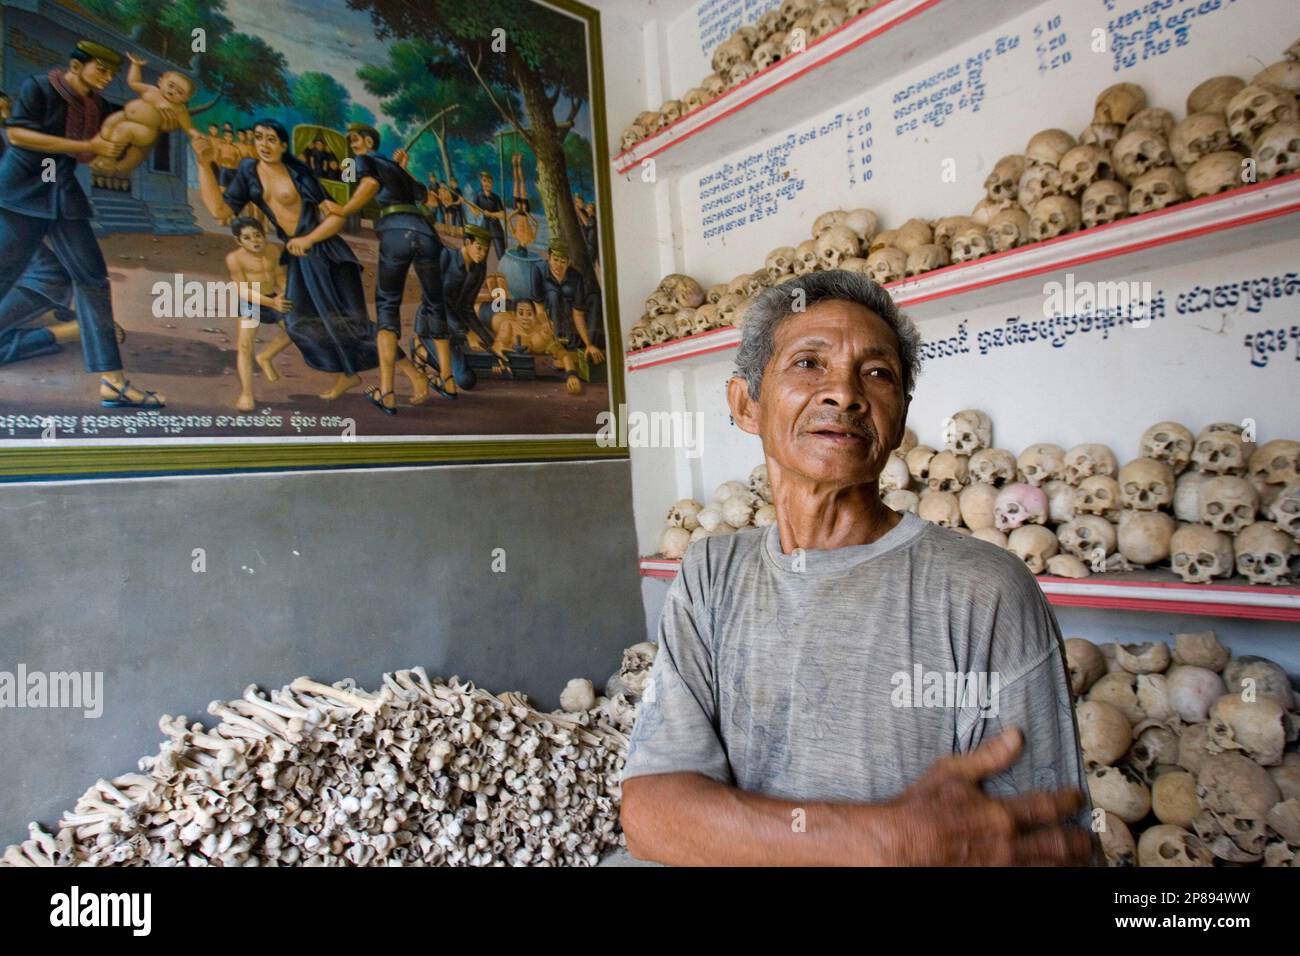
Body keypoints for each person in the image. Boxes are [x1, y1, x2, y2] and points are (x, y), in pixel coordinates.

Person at [620, 271, 1094, 867]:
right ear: (746, 404)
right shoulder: (711, 573)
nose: (844, 393)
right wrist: (887, 841)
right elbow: (652, 814)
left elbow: (1044, 845)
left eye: (877, 373)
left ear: (898, 416)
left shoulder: (985, 590)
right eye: (808, 364)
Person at [0, 40, 165, 407]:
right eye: (100, 70)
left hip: (63, 197)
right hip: (22, 194)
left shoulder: (98, 105)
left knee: (92, 279)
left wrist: (151, 123)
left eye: (111, 73)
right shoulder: (39, 87)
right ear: (77, 67)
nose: (107, 78)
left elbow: (119, 135)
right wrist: (83, 146)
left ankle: (113, 381)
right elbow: (17, 135)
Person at [192, 118, 381, 400]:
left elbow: (335, 217)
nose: (264, 144)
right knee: (300, 323)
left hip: (324, 250)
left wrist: (309, 239)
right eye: (258, 137)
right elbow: (220, 212)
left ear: (282, 145)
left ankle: (407, 374)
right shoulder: (248, 172)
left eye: (271, 139)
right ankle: (348, 374)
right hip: (297, 254)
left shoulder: (298, 172)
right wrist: (204, 165)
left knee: (350, 321)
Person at [318, 123, 442, 412]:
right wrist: (401, 168)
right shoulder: (393, 165)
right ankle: (426, 377)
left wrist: (343, 209)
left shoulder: (365, 160)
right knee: (432, 302)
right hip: (424, 235)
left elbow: (370, 185)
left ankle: (387, 392)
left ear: (367, 141)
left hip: (395, 234)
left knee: (386, 310)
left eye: (355, 139)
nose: (352, 143)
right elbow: (426, 198)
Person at [224, 217, 293, 412]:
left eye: (257, 235)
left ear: (264, 235)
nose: (255, 241)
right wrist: (273, 302)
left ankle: (265, 357)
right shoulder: (234, 259)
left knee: (293, 331)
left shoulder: (273, 250)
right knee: (245, 346)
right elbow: (242, 291)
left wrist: (285, 294)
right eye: (247, 238)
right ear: (239, 241)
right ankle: (246, 393)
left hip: (273, 296)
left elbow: (280, 277)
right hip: (250, 302)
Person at [89, 52, 195, 177]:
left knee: (124, 129)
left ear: (185, 99)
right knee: (110, 122)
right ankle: (103, 154)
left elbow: (189, 128)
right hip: (126, 117)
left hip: (145, 130)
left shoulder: (179, 108)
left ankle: (109, 158)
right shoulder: (151, 90)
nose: (172, 91)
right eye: (171, 85)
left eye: (180, 92)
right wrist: (136, 65)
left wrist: (196, 136)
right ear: (160, 81)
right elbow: (133, 82)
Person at [417, 223, 492, 394]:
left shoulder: (479, 268)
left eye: (486, 250)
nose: (482, 254)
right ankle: (420, 351)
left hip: (456, 330)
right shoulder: (446, 257)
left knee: (484, 363)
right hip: (433, 326)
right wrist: (467, 333)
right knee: (466, 380)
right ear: (467, 242)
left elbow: (467, 308)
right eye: (479, 248)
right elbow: (436, 302)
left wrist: (490, 342)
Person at [534, 239, 603, 393]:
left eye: (563, 261)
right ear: (549, 257)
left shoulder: (575, 277)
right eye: (555, 260)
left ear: (568, 262)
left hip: (570, 323)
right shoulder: (538, 270)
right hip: (548, 322)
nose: (558, 265)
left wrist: (588, 343)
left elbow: (578, 313)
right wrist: (546, 328)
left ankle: (576, 348)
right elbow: (538, 307)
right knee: (553, 297)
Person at [468, 170, 506, 260]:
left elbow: (503, 215)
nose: (487, 184)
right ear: (481, 182)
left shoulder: (496, 198)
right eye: (484, 181)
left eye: (489, 182)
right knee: (482, 256)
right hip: (484, 228)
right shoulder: (478, 196)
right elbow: (476, 213)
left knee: (501, 256)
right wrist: (471, 207)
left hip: (496, 228)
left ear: (492, 184)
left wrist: (491, 213)